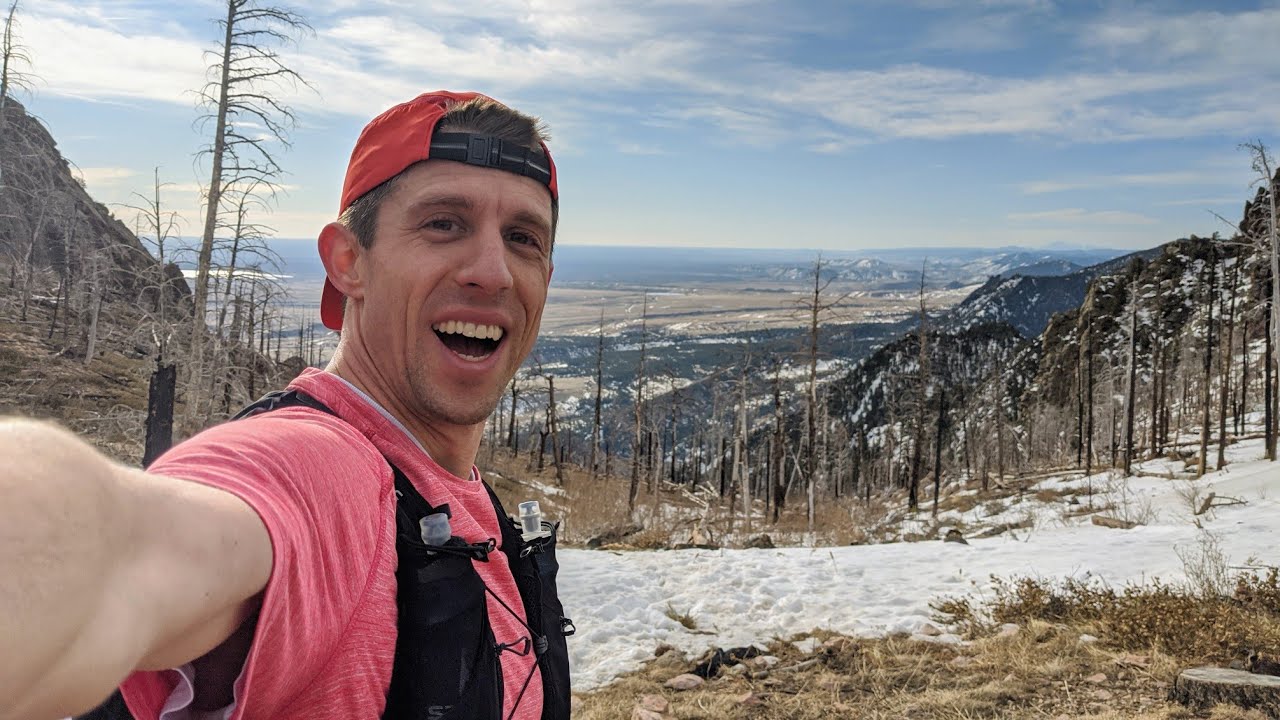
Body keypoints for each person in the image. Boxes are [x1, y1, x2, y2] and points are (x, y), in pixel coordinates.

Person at [0, 90, 572, 720]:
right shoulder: (322, 468)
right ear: (348, 261)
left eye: (523, 238)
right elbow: (111, 543)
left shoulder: (453, 488)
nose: (493, 271)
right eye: (443, 223)